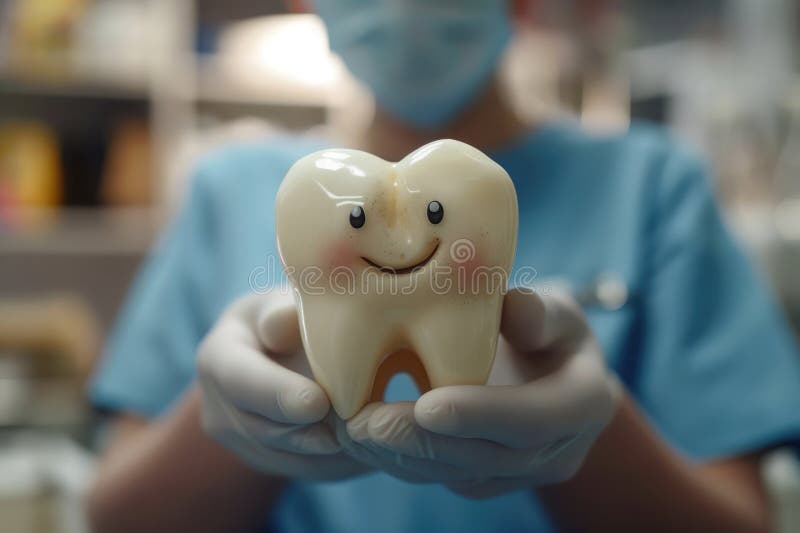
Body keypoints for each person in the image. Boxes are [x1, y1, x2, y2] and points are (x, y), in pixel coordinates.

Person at [86, 1, 800, 532]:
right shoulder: (234, 192)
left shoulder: (653, 188)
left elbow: (743, 519)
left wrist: (596, 431)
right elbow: (115, 516)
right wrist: (222, 428)